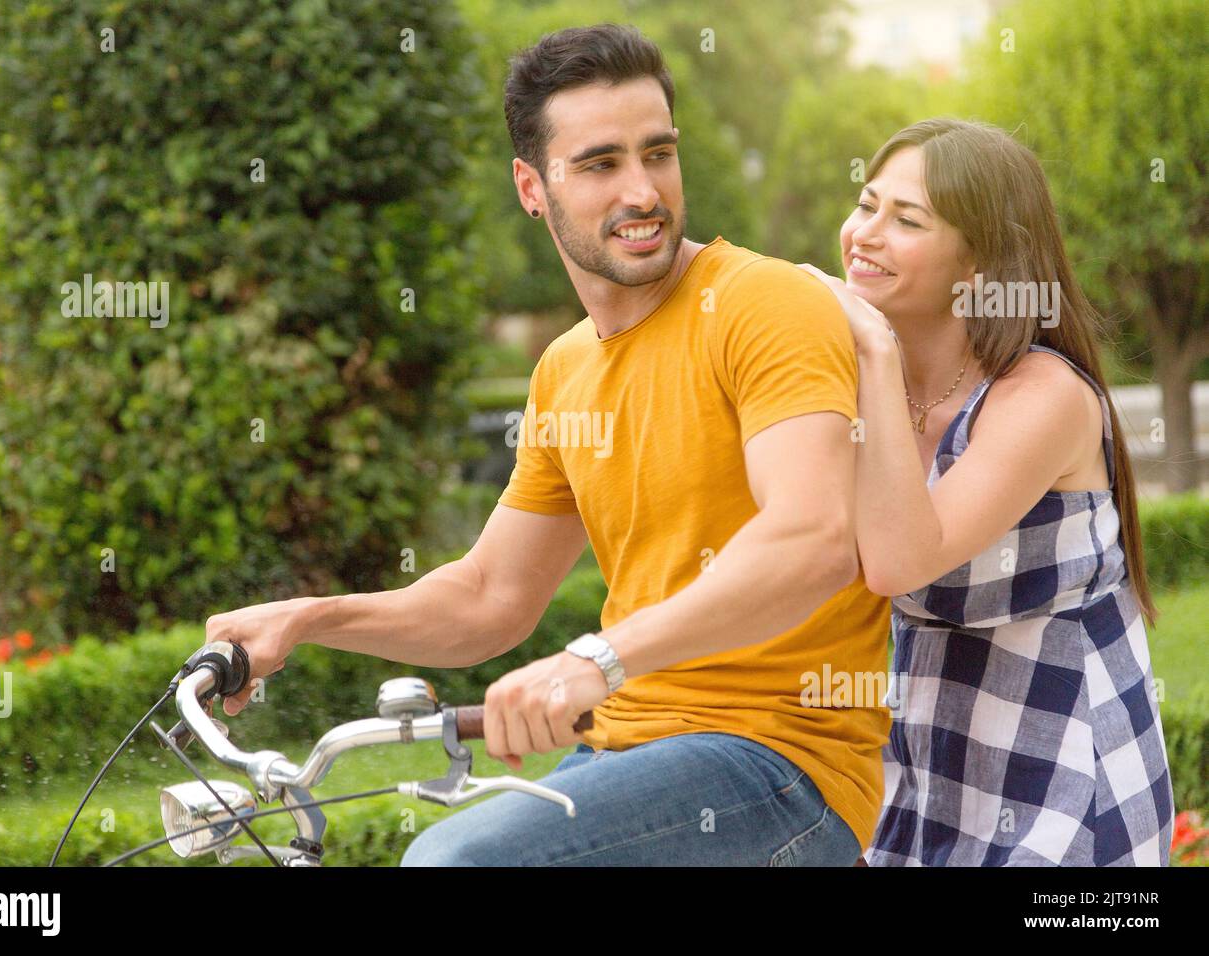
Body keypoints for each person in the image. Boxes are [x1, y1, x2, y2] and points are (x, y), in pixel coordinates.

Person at [204, 23, 890, 866]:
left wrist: (597, 659)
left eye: (658, 154)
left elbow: (812, 539)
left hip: (784, 769)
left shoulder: (765, 304)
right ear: (533, 186)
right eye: (601, 164)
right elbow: (492, 594)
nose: (642, 191)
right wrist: (310, 617)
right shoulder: (565, 370)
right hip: (626, 750)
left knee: (449, 863)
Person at [798, 118, 1174, 866]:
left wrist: (869, 343)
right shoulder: (862, 389)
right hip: (928, 768)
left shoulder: (1045, 396)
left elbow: (904, 560)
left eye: (906, 220)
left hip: (1066, 774)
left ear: (978, 267)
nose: (865, 234)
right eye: (865, 205)